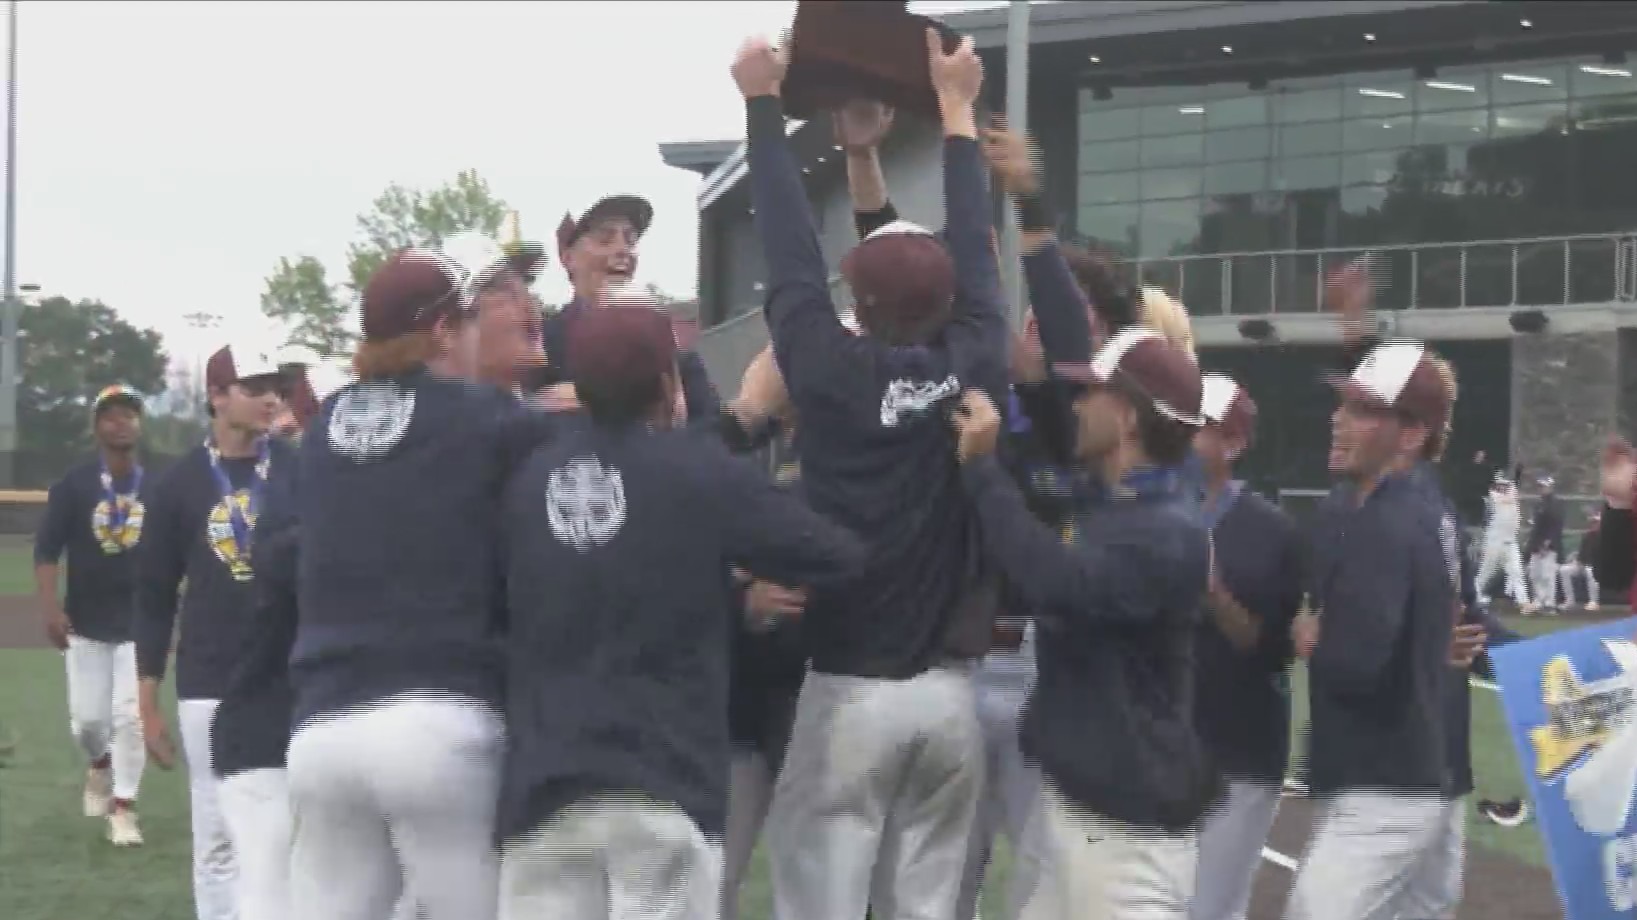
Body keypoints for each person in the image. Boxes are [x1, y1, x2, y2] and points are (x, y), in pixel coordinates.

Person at [732, 29, 1009, 920]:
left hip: (848, 689)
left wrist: (761, 107)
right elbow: (973, 255)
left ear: (861, 303)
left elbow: (785, 247)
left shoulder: (825, 367)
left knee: (820, 902)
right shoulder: (974, 358)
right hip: (947, 701)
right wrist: (957, 111)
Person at [494, 305, 865, 920]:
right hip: (661, 785)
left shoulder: (525, 480)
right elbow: (836, 556)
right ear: (669, 381)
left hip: (542, 791)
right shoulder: (697, 472)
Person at [283, 248, 559, 920]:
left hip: (320, 729)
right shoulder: (489, 417)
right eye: (465, 319)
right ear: (440, 330)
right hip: (438, 715)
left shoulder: (320, 430)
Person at [950, 326, 1218, 920]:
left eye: (1092, 393)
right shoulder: (1128, 502)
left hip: (1128, 831)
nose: (1077, 404)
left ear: (1127, 417)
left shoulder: (1163, 529)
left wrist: (983, 471)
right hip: (1088, 805)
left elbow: (1057, 583)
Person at [1284, 339, 1459, 920]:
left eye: (1362, 411)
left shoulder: (1384, 521)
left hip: (1381, 784)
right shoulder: (1432, 507)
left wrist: (1312, 641)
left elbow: (1357, 666)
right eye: (1344, 406)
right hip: (1427, 772)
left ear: (1411, 435)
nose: (1339, 420)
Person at [134, 342, 293, 920]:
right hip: (209, 680)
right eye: (255, 387)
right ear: (217, 397)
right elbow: (152, 599)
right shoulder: (176, 485)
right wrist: (147, 703)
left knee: (290, 832)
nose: (271, 398)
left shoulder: (299, 470)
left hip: (289, 675)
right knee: (219, 835)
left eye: (275, 385)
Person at [1188, 374, 1303, 920]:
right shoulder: (1148, 510)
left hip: (1237, 749)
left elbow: (1271, 649)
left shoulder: (1269, 531)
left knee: (1211, 907)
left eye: (1198, 427)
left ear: (1232, 442)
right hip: (1160, 741)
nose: (1182, 436)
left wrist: (1214, 594)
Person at [34, 383, 151, 847]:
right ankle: (98, 766)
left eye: (129, 414)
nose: (121, 422)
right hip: (85, 621)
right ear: (97, 426)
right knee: (87, 722)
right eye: (111, 415)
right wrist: (49, 607)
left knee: (130, 715)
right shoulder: (74, 484)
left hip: (140, 621)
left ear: (139, 424)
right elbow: (46, 551)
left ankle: (124, 809)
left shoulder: (157, 483)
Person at [1475, 474, 1529, 609]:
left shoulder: (1513, 499)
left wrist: (1513, 487)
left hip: (1510, 542)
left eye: (1505, 485)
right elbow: (1506, 498)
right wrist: (1512, 488)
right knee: (1486, 572)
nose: (1502, 487)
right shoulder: (1493, 497)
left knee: (1517, 572)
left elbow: (1513, 497)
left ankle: (1524, 602)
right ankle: (1473, 596)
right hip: (1494, 541)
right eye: (1500, 485)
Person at [1524, 474, 1565, 614]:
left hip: (1548, 546)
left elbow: (1556, 526)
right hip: (1536, 544)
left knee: (1548, 575)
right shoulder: (1538, 504)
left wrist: (1547, 543)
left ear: (1550, 487)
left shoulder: (1555, 504)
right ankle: (1539, 601)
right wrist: (1532, 544)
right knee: (1535, 574)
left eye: (1544, 486)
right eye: (1540, 486)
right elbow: (1536, 526)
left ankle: (1549, 603)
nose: (1541, 489)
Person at [1559, 512, 1601, 611]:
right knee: (1564, 570)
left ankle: (1594, 601)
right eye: (1593, 522)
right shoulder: (1587, 536)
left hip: (1599, 566)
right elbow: (1582, 553)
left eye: (1596, 522)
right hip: (1584, 564)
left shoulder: (1607, 537)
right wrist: (1577, 562)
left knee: (1591, 572)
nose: (1594, 524)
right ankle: (1570, 601)